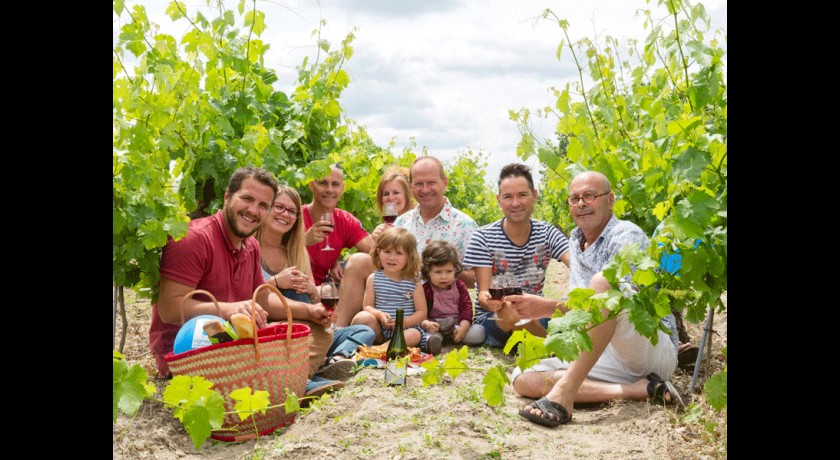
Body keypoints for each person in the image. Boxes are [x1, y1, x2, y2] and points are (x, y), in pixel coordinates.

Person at [505, 171, 682, 428]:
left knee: (603, 283)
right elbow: (583, 311)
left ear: (610, 200)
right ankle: (638, 390)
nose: (580, 203)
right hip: (605, 353)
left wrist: (546, 307)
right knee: (524, 378)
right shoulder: (576, 241)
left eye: (589, 196)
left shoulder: (626, 235)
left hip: (648, 347)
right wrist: (533, 312)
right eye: (574, 198)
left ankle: (565, 393)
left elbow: (610, 302)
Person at [148, 167, 336, 400]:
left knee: (318, 331)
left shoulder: (251, 246)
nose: (253, 210)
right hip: (193, 351)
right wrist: (230, 309)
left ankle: (286, 379)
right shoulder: (194, 239)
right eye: (247, 199)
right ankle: (292, 383)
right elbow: (169, 309)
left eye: (263, 205)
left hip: (238, 342)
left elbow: (264, 298)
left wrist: (309, 311)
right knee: (270, 349)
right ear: (228, 197)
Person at [333, 156, 479, 327]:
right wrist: (378, 246)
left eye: (431, 182)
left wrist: (441, 269)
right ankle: (338, 332)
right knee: (358, 260)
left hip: (434, 306)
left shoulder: (464, 226)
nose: (425, 189)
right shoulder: (401, 222)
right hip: (396, 299)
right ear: (411, 187)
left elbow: (476, 279)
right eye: (418, 184)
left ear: (444, 183)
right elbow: (384, 267)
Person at [255, 185, 376, 382]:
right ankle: (310, 374)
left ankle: (332, 361)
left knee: (364, 331)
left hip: (309, 330)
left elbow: (312, 299)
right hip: (276, 329)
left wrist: (313, 292)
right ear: (266, 207)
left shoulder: (296, 251)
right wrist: (276, 281)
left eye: (292, 211)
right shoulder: (251, 248)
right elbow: (252, 295)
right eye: (278, 207)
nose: (285, 215)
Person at [462, 163, 571, 348]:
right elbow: (483, 293)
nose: (515, 203)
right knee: (511, 308)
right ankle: (550, 349)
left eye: (522, 195)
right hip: (495, 319)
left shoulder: (547, 233)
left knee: (570, 311)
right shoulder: (483, 237)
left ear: (534, 195)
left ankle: (536, 344)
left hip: (536, 314)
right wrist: (489, 301)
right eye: (508, 197)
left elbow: (576, 264)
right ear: (499, 200)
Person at [350, 227, 429, 349]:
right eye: (387, 252)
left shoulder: (413, 280)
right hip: (380, 329)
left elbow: (422, 312)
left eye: (398, 253)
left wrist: (404, 322)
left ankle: (382, 348)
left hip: (405, 330)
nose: (391, 258)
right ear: (378, 252)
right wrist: (380, 315)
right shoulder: (374, 278)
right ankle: (359, 344)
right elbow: (367, 306)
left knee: (414, 334)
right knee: (362, 317)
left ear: (409, 256)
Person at [302, 163, 374, 286]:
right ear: (312, 186)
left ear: (342, 188)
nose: (329, 189)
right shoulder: (295, 216)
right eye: (323, 183)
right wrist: (303, 241)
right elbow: (272, 254)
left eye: (335, 184)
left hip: (325, 291)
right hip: (296, 289)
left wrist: (342, 264)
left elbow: (374, 250)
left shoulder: (345, 220)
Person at [419, 241, 485, 354]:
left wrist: (463, 328)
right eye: (438, 272)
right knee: (423, 335)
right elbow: (419, 313)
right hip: (435, 327)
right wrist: (426, 324)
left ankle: (457, 337)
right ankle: (434, 342)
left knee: (479, 331)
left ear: (455, 269)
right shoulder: (425, 289)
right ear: (428, 271)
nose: (443, 277)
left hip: (456, 326)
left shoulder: (459, 286)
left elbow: (466, 309)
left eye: (449, 271)